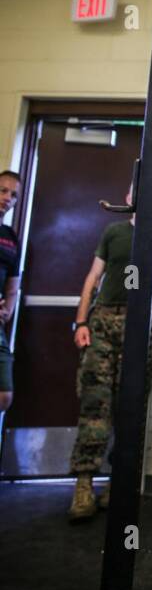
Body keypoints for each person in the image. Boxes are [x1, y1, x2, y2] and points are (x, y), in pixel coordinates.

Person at [68, 183, 152, 522]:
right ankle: (83, 485)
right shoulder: (113, 233)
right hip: (103, 323)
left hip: (140, 326)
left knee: (131, 407)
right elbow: (92, 278)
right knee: (95, 403)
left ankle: (119, 484)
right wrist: (81, 321)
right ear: (128, 199)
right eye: (136, 192)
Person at [0, 170, 22, 416]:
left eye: (13, 195)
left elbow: (13, 285)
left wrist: (7, 311)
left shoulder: (10, 238)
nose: (7, 198)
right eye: (3, 191)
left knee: (4, 394)